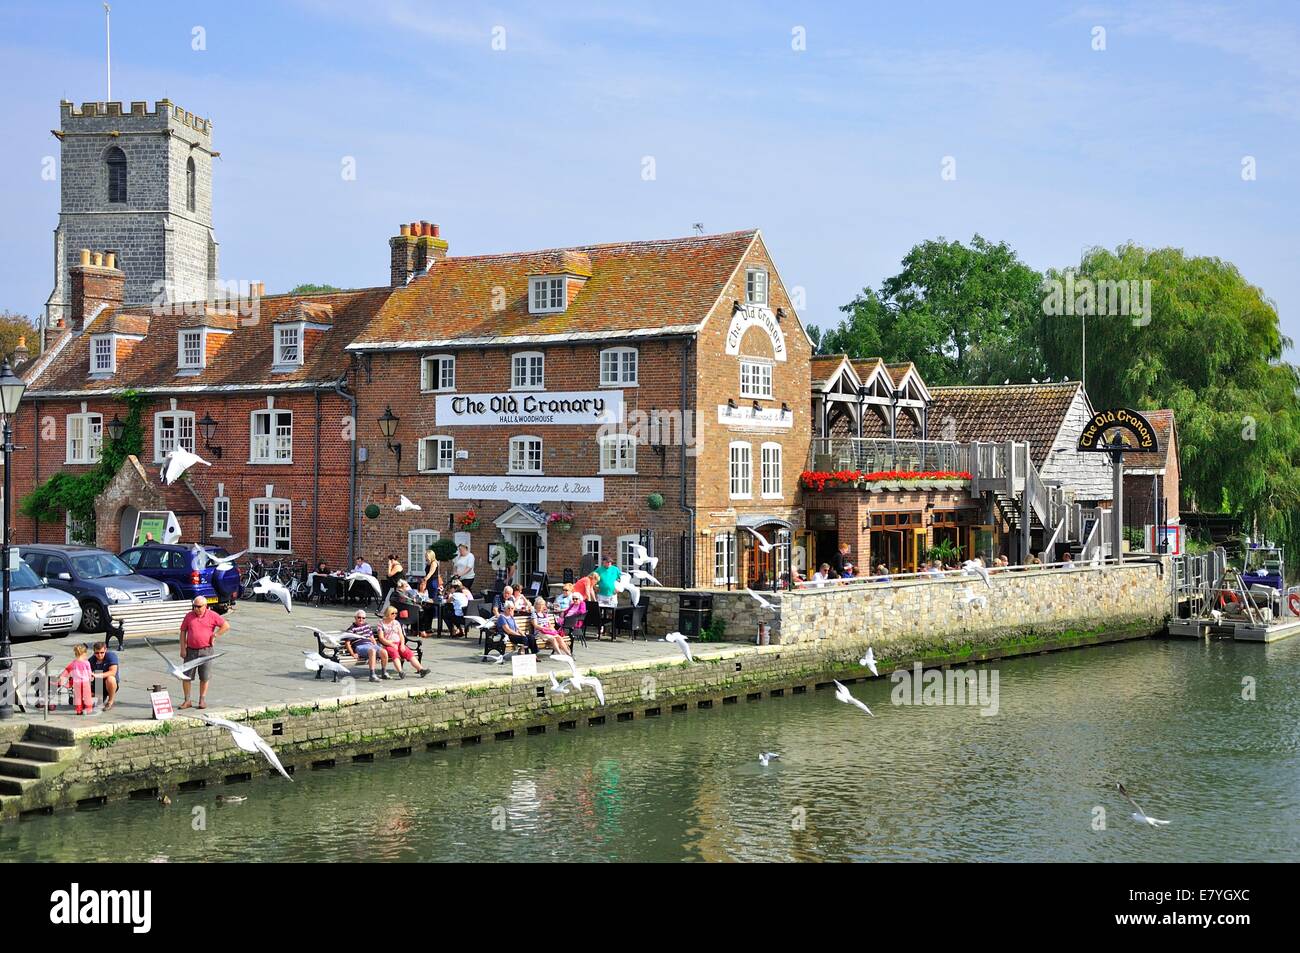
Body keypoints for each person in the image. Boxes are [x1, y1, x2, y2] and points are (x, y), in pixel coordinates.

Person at [179, 596, 228, 709]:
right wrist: (182, 648)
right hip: (190, 650)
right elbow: (183, 631)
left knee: (205, 676)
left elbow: (226, 626)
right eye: (194, 606)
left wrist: (215, 635)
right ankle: (187, 700)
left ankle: (202, 700)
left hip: (206, 650)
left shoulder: (212, 615)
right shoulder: (189, 616)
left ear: (205, 606)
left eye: (199, 607)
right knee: (186, 676)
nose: (196, 609)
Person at [374, 605, 429, 678]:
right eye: (393, 613)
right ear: (388, 614)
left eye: (396, 613)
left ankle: (421, 670)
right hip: (387, 644)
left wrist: (402, 644)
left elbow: (401, 636)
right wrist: (391, 644)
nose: (395, 615)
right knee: (394, 653)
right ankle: (400, 672)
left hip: (399, 643)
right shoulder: (381, 624)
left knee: (408, 653)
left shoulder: (396, 623)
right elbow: (381, 638)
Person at [343, 610, 390, 682]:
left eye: (363, 618)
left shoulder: (367, 626)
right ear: (355, 618)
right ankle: (372, 675)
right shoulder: (351, 629)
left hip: (370, 645)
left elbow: (372, 638)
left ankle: (384, 672)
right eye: (359, 617)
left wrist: (377, 647)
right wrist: (352, 653)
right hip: (360, 646)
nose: (361, 619)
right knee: (372, 651)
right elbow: (347, 643)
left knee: (384, 652)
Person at [57, 644, 95, 715]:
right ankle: (88, 709)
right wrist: (91, 678)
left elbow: (66, 671)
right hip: (85, 682)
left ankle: (78, 710)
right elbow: (89, 673)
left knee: (78, 697)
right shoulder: (86, 663)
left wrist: (61, 678)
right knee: (87, 696)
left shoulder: (73, 663)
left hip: (76, 682)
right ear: (84, 653)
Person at [89, 641, 121, 710]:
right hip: (98, 684)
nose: (99, 655)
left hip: (109, 684)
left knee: (110, 679)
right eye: (97, 653)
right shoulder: (92, 660)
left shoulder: (111, 656)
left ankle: (110, 702)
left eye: (102, 652)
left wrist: (98, 675)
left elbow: (113, 672)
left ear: (105, 650)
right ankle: (100, 697)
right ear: (94, 652)